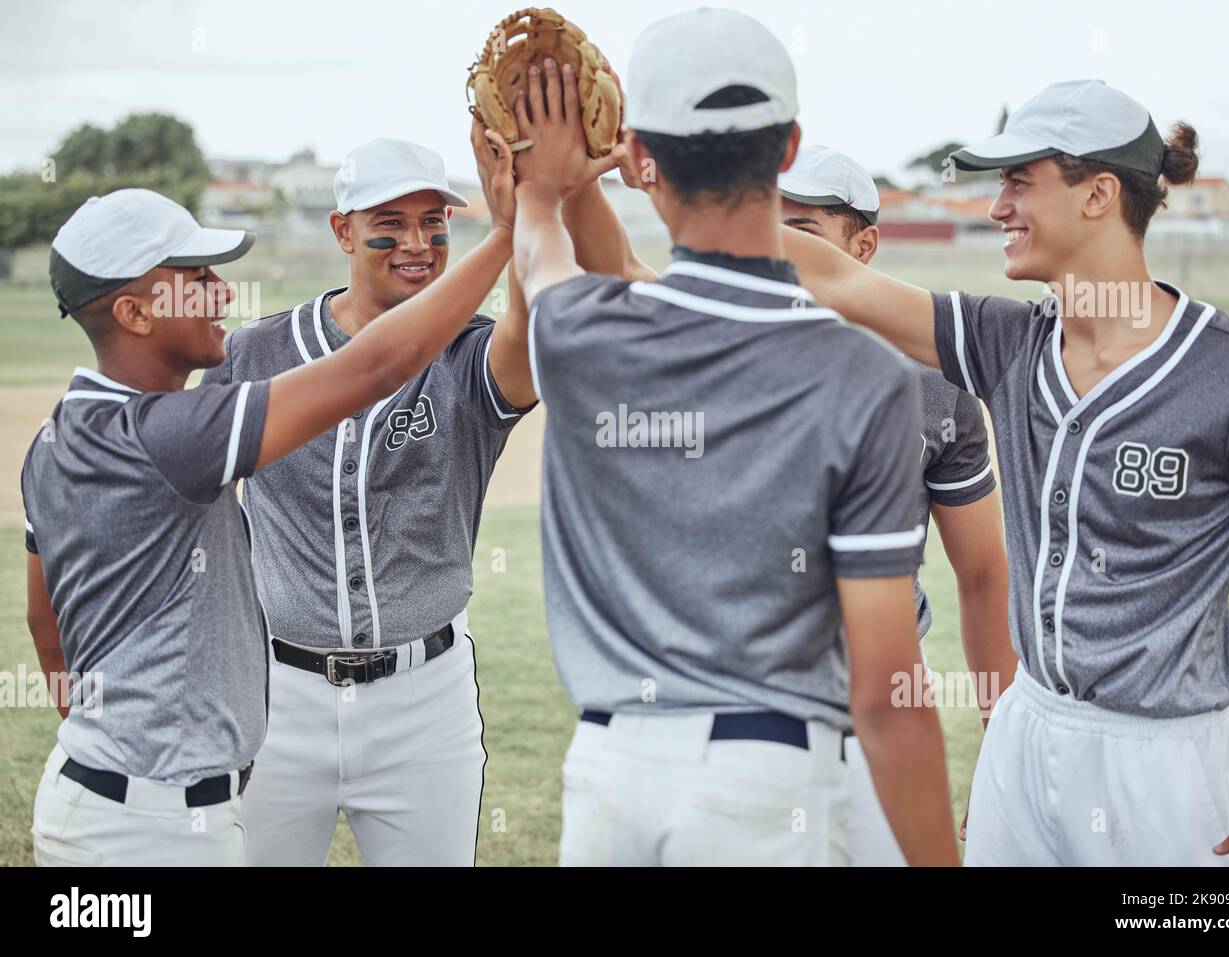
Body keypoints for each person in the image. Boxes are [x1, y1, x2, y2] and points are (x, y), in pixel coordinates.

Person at [783, 79, 1229, 866]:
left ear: (1098, 193)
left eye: (1021, 181)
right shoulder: (1007, 341)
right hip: (1025, 735)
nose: (997, 208)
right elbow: (837, 280)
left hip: (1165, 764)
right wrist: (674, 171)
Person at [509, 8, 958, 866]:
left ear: (643, 158)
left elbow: (540, 255)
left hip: (606, 770)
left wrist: (544, 184)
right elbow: (888, 694)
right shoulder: (869, 379)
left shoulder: (579, 329)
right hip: (766, 782)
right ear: (788, 149)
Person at [22, 123, 517, 867]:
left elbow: (43, 614)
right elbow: (376, 367)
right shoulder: (180, 431)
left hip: (102, 789)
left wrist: (106, 729)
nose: (224, 291)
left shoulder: (57, 435)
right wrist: (511, 227)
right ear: (132, 311)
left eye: (433, 222)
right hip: (154, 821)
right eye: (197, 277)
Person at [201, 130, 535, 866]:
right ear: (342, 229)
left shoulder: (475, 351)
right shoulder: (255, 354)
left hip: (426, 703)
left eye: (434, 224)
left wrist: (537, 204)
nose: (415, 242)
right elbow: (196, 513)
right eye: (389, 223)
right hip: (277, 697)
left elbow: (540, 323)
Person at [778, 145, 1018, 864]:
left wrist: (998, 749)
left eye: (803, 232)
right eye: (766, 227)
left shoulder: (933, 383)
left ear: (865, 244)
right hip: (743, 723)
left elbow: (982, 576)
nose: (777, 251)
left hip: (882, 726)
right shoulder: (713, 359)